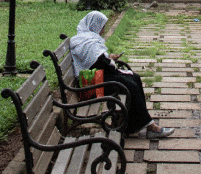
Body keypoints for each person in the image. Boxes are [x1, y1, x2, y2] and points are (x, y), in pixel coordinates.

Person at [68, 11, 173, 139]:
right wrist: (110, 60)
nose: (103, 30)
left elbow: (97, 61)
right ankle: (150, 127)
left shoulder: (87, 38)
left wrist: (109, 59)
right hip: (90, 85)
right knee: (130, 86)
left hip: (97, 77)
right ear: (94, 25)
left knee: (135, 78)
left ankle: (132, 125)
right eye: (101, 27)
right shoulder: (85, 41)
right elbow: (99, 63)